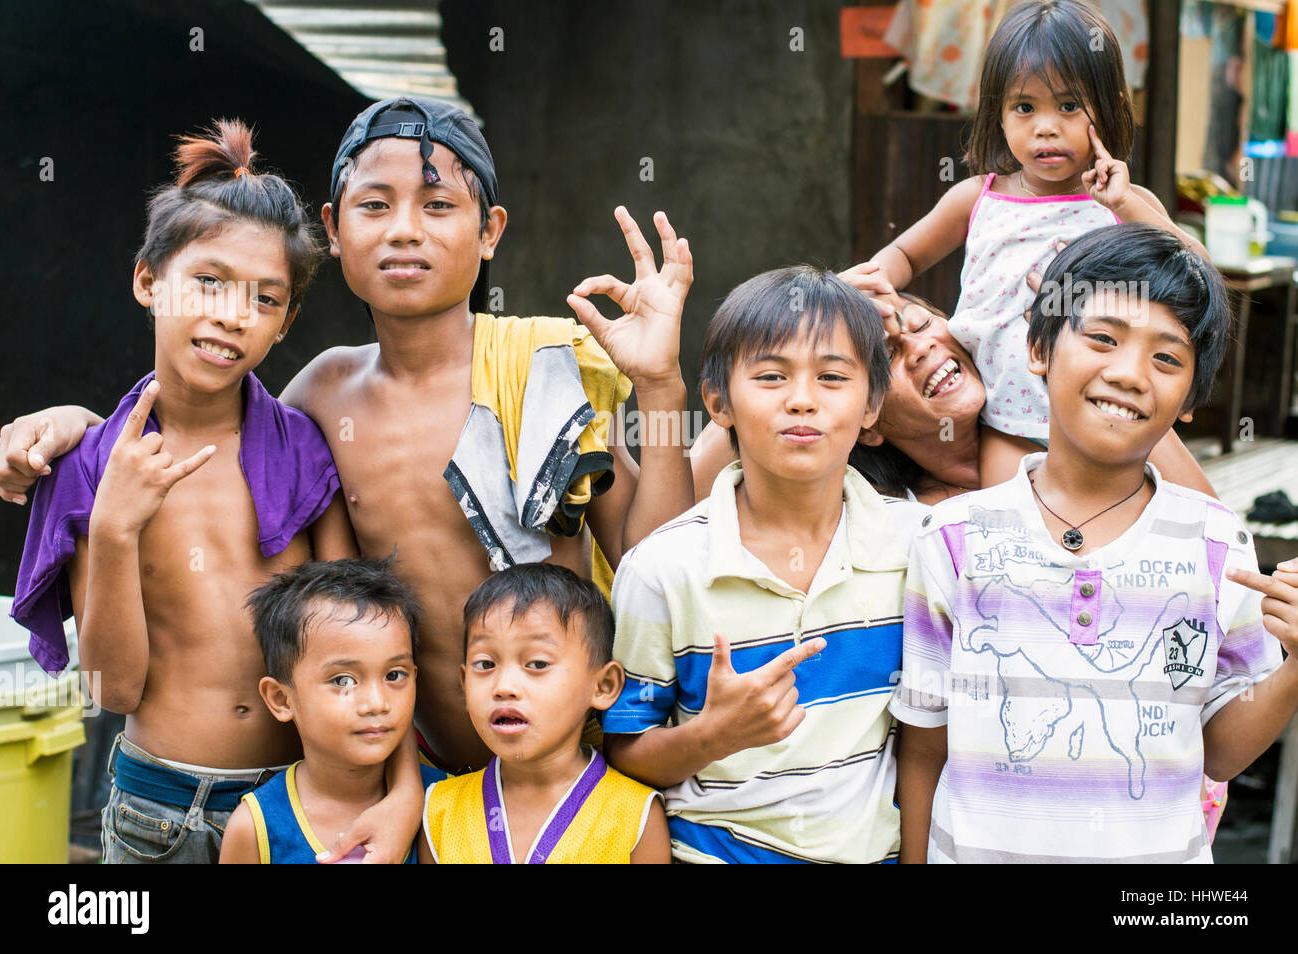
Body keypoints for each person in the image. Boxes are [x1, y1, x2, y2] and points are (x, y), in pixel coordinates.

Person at [0, 98, 696, 801]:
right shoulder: (325, 396)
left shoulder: (539, 370)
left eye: (436, 206)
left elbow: (659, 563)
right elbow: (205, 417)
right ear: (333, 229)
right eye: (374, 206)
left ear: (489, 232)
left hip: (566, 771)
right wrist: (79, 428)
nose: (404, 231)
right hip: (418, 779)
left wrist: (662, 389)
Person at [7, 120, 423, 864]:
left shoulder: (301, 454)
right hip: (154, 809)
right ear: (147, 280)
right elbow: (116, 690)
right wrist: (113, 529)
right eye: (209, 282)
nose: (233, 315)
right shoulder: (94, 467)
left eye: (265, 299)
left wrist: (402, 792)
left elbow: (364, 639)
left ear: (286, 322)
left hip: (294, 801)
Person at [892, 223, 1298, 863]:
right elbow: (923, 747)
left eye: (1167, 358)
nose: (1130, 373)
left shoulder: (1218, 545)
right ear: (1039, 348)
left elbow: (1222, 752)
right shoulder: (952, 539)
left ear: (1190, 398)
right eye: (1103, 339)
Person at [602, 266, 923, 863]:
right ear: (718, 401)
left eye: (832, 377)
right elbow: (625, 752)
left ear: (872, 403)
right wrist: (714, 735)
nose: (802, 399)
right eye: (771, 376)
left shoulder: (917, 547)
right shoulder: (661, 569)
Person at [842, 0, 1207, 486]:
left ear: (1115, 105)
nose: (1046, 126)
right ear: (999, 115)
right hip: (1004, 417)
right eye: (1025, 107)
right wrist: (866, 285)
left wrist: (1126, 206)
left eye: (1070, 105)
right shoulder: (976, 198)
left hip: (1110, 401)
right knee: (1011, 532)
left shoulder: (1122, 204)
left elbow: (1199, 273)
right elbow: (907, 254)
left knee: (1200, 519)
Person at [419, 563, 669, 863]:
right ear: (464, 683)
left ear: (603, 685)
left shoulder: (636, 814)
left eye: (537, 664)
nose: (504, 687)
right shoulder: (440, 810)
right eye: (485, 664)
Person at [221, 557, 435, 864]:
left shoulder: (447, 802)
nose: (377, 702)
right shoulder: (255, 829)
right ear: (281, 699)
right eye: (343, 680)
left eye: (394, 675)